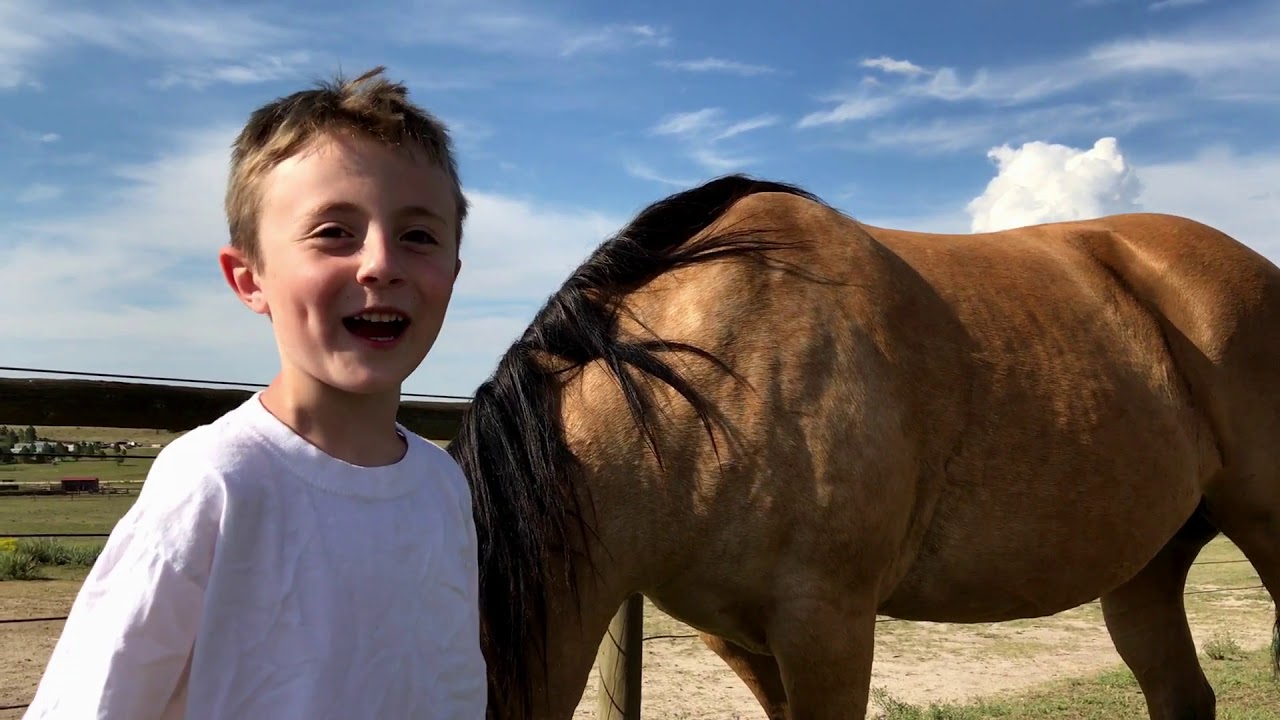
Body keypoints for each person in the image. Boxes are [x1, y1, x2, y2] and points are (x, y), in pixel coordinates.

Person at [23, 66, 487, 719]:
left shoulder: (443, 487)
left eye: (419, 235)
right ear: (249, 279)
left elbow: (453, 689)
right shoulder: (214, 482)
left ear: (452, 274)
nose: (380, 262)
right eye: (334, 231)